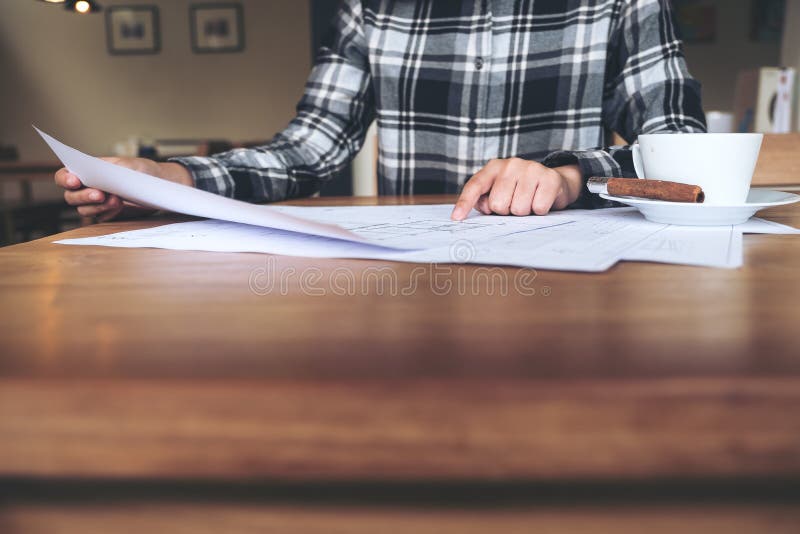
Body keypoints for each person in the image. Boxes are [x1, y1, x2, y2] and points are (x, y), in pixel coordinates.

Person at [55, 0, 706, 223]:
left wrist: (567, 175)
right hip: (416, 289)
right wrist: (179, 179)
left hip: (581, 293)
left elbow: (681, 146)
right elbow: (312, 148)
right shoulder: (372, 6)